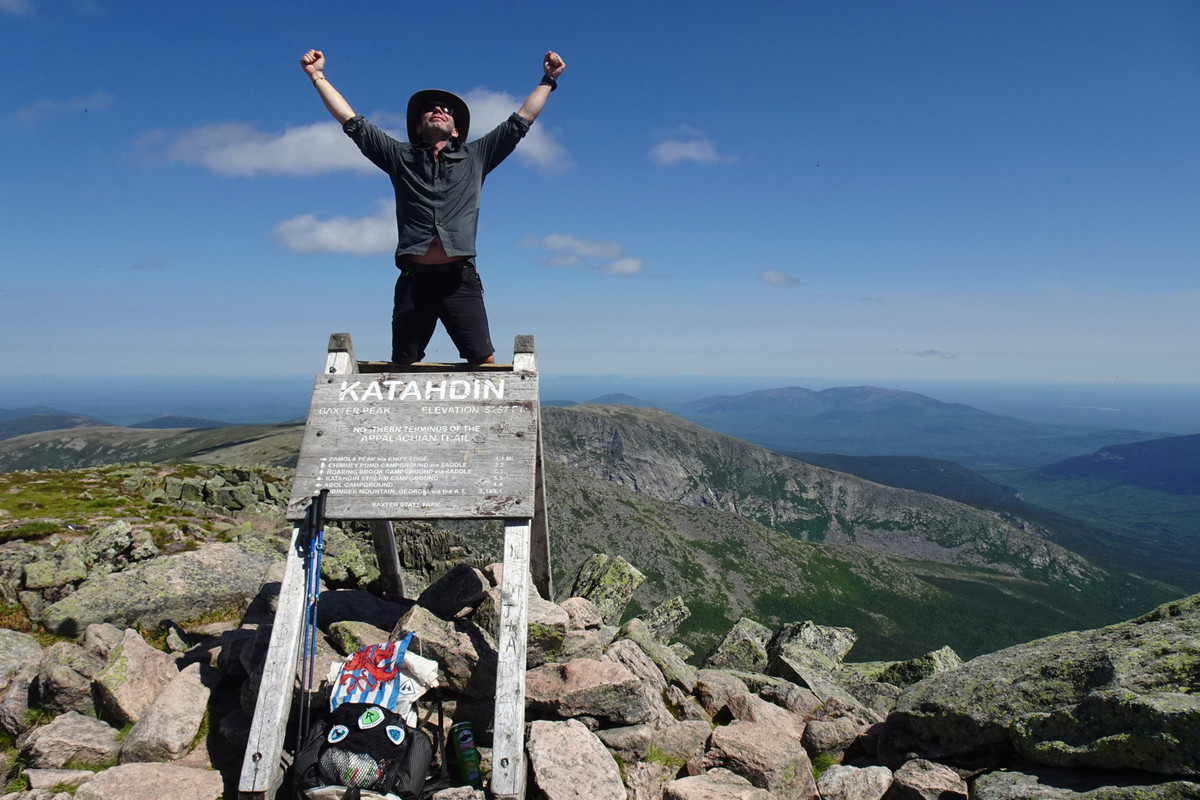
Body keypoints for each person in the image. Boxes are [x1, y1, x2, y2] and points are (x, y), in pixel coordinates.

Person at [299, 48, 566, 365]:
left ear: (455, 129)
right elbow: (351, 122)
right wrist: (317, 77)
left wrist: (548, 80)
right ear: (416, 128)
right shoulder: (399, 158)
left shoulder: (476, 156)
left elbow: (521, 120)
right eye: (429, 109)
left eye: (445, 109)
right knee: (402, 367)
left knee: (484, 365)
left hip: (460, 281)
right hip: (415, 282)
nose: (438, 110)